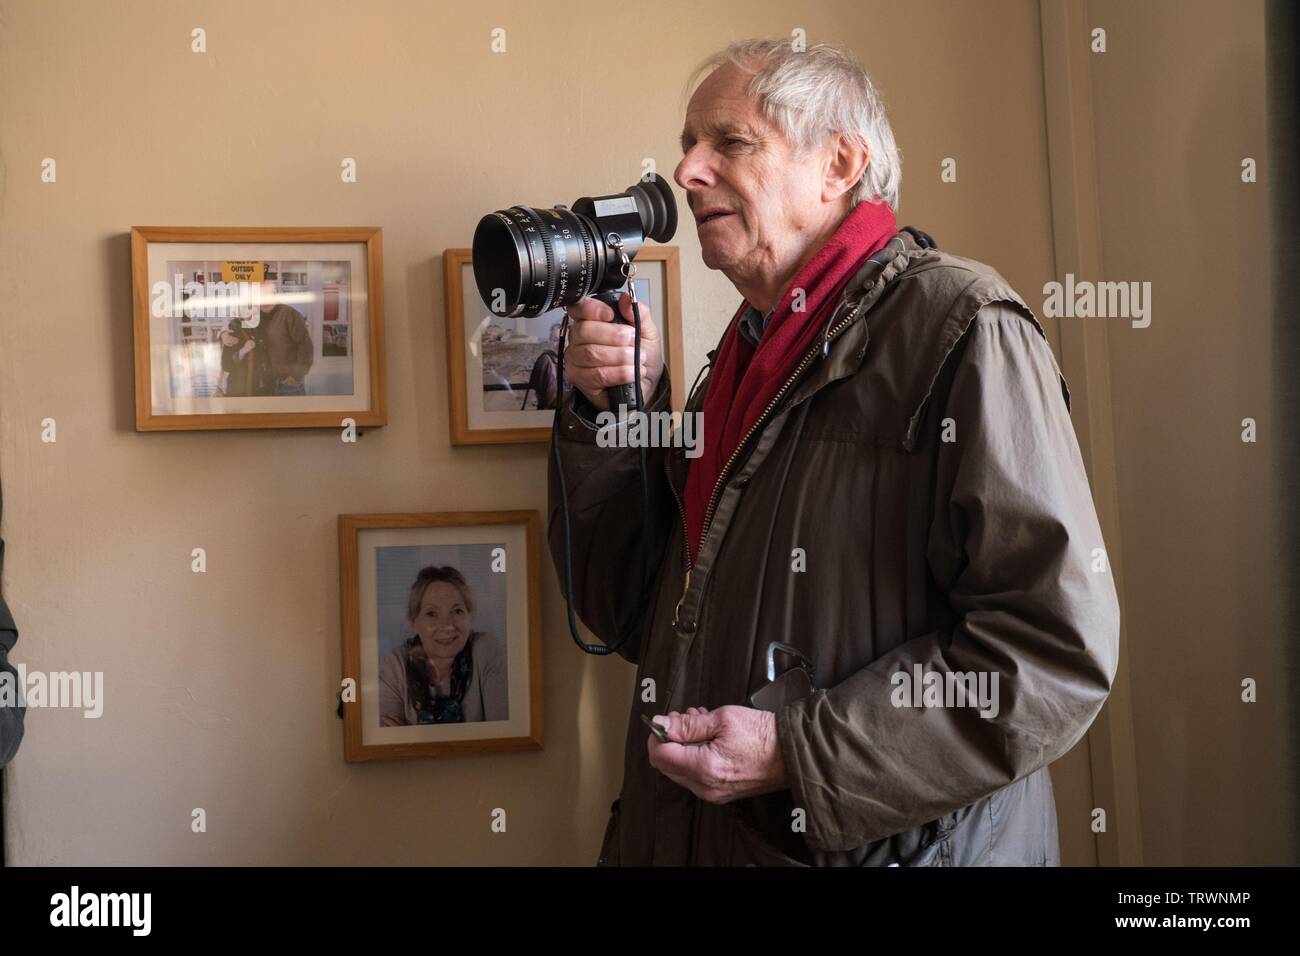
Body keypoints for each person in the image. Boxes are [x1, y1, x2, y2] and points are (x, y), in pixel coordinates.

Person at [547, 38, 1120, 866]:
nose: (687, 172)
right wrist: (612, 418)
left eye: (728, 142)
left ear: (839, 164)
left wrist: (797, 752)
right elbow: (633, 612)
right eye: (687, 146)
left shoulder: (962, 327)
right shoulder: (740, 361)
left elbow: (1051, 650)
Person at [378, 566, 508, 725]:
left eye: (457, 611)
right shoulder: (395, 665)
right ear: (414, 622)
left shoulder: (485, 649)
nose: (447, 625)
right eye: (432, 613)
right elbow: (391, 744)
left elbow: (502, 734)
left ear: (469, 616)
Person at [219, 276, 314, 396]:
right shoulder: (258, 315)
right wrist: (223, 334)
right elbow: (236, 324)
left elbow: (306, 346)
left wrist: (295, 377)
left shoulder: (289, 314)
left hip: (289, 384)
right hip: (268, 384)